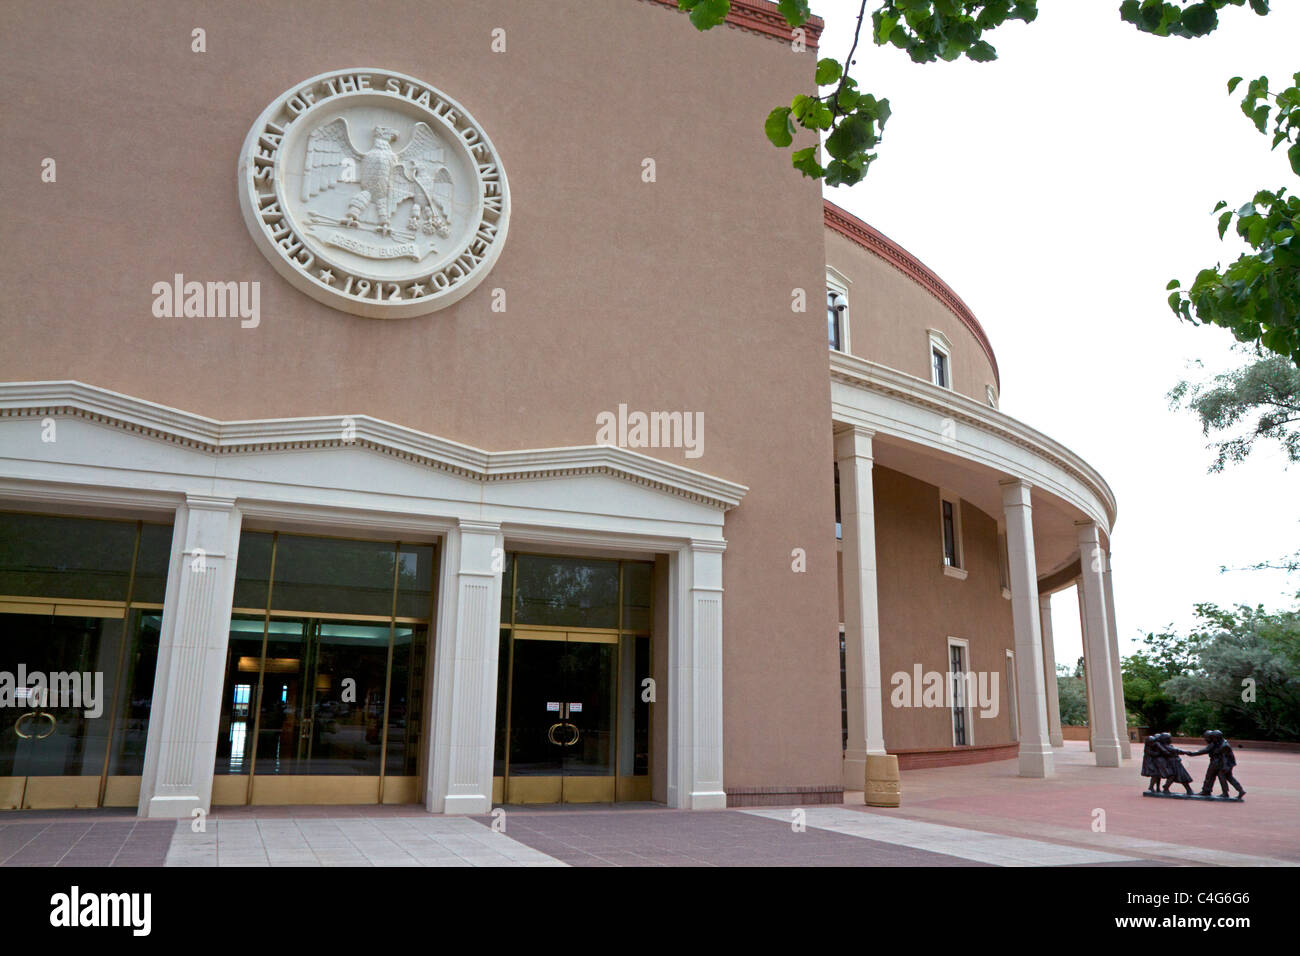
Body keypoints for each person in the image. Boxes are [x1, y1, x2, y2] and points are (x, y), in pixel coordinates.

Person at [1187, 730, 1246, 798]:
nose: (1211, 739)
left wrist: (1225, 767)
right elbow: (1205, 750)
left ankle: (1229, 792)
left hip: (1223, 765)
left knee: (1224, 778)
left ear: (1217, 738)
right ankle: (1207, 791)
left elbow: (1226, 758)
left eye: (1213, 738)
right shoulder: (1215, 743)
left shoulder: (1224, 745)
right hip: (1216, 763)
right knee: (1210, 777)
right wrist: (1192, 753)